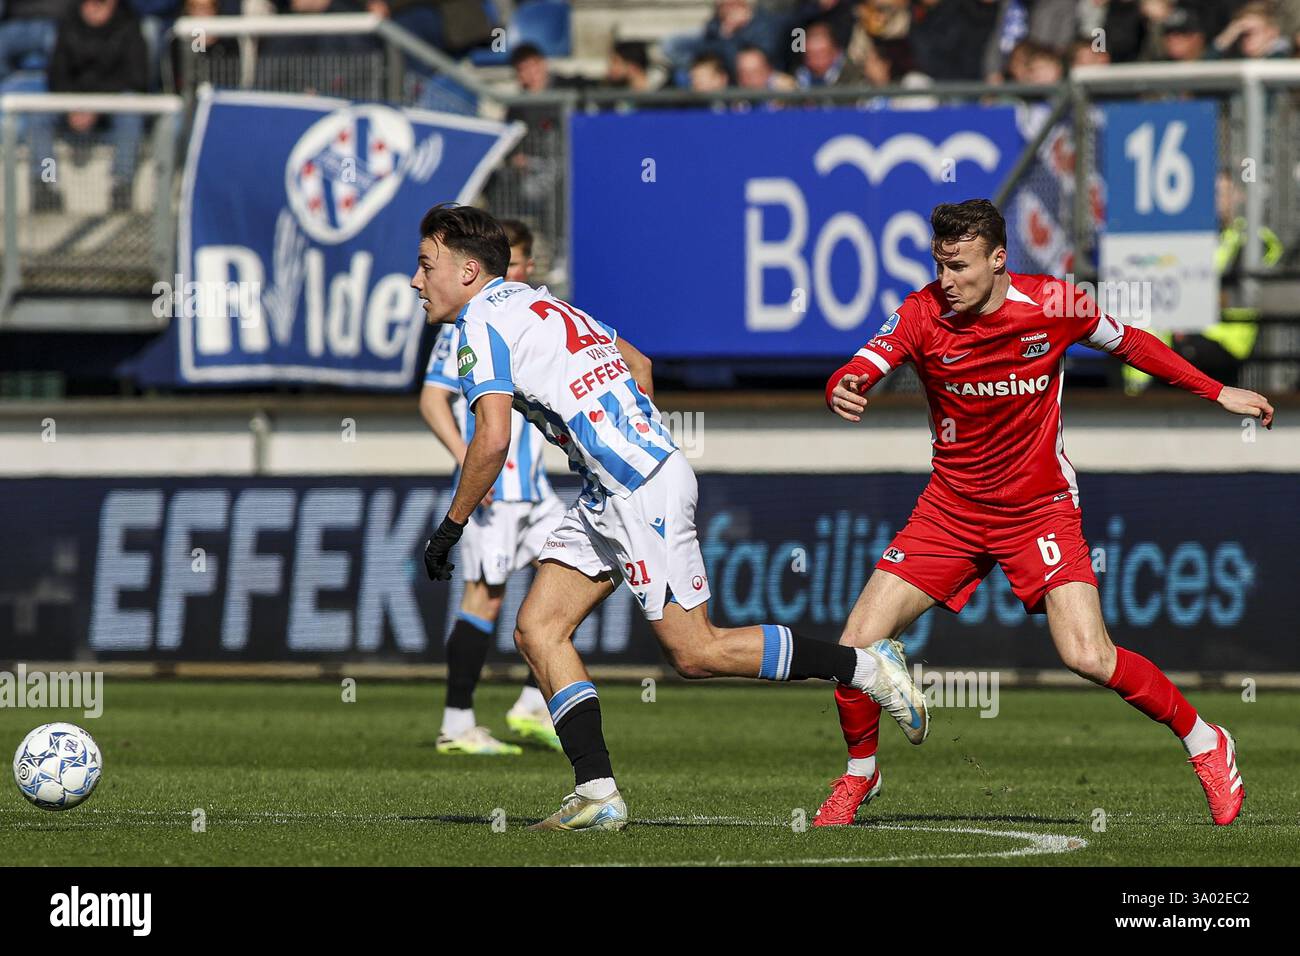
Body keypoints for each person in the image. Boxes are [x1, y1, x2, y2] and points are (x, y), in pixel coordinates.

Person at [413, 203, 930, 832]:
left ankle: (868, 667)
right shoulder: (543, 303)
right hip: (617, 488)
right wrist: (637, 441)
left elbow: (491, 439)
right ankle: (598, 793)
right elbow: (640, 365)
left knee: (695, 652)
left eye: (425, 264)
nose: (417, 281)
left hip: (636, 490)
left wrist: (452, 526)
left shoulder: (478, 326)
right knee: (537, 628)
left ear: (468, 270)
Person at [815, 198, 1272, 827]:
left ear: (999, 259)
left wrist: (1216, 390)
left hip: (1039, 510)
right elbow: (867, 361)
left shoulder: (1054, 304)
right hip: (950, 510)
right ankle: (860, 775)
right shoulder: (922, 312)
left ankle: (1206, 741)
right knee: (854, 647)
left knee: (1087, 655)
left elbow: (1130, 342)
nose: (947, 281)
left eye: (961, 267)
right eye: (940, 265)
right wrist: (845, 381)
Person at [419, 219, 565, 755]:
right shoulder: (463, 326)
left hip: (536, 488)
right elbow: (433, 399)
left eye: (528, 263)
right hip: (494, 490)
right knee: (486, 596)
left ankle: (531, 703)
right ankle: (456, 723)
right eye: (520, 262)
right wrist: (465, 462)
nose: (525, 272)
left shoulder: (526, 317)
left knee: (581, 573)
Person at [28, 0, 147, 213]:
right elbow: (56, 75)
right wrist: (74, 105)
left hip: (111, 103)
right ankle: (47, 183)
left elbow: (137, 79)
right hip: (72, 103)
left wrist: (95, 105)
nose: (93, 7)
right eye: (89, 1)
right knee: (39, 115)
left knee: (131, 112)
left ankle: (121, 185)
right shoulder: (68, 23)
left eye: (100, 3)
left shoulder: (130, 24)